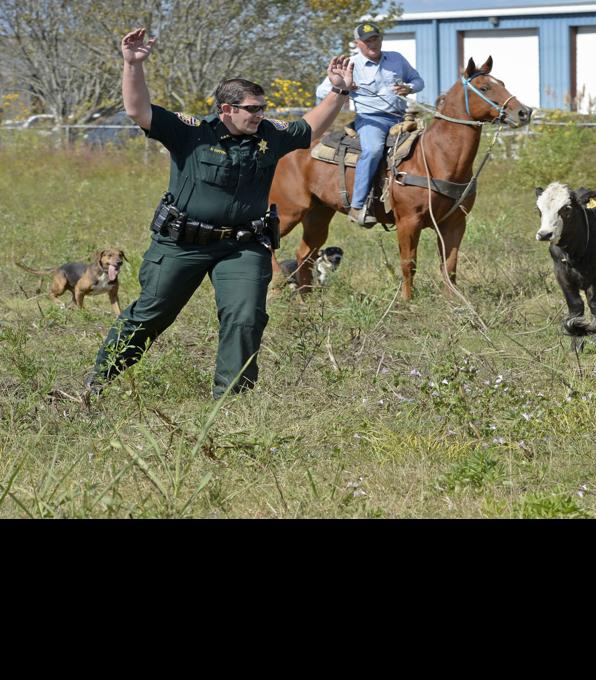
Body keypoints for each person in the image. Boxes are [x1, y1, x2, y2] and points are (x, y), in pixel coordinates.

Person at [82, 28, 354, 402]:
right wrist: (132, 64)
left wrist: (339, 91)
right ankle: (98, 381)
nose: (261, 114)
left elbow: (308, 129)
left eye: (263, 108)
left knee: (245, 318)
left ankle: (230, 402)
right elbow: (137, 110)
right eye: (252, 108)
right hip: (182, 243)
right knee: (150, 315)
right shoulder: (190, 133)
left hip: (242, 245)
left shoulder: (268, 134)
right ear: (226, 109)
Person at [316, 22, 423, 227]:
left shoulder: (397, 58)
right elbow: (321, 92)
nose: (372, 44)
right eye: (367, 41)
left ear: (381, 39)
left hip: (401, 117)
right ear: (358, 44)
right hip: (371, 119)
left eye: (375, 38)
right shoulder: (349, 65)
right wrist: (345, 88)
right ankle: (358, 206)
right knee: (373, 150)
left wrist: (409, 88)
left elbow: (418, 80)